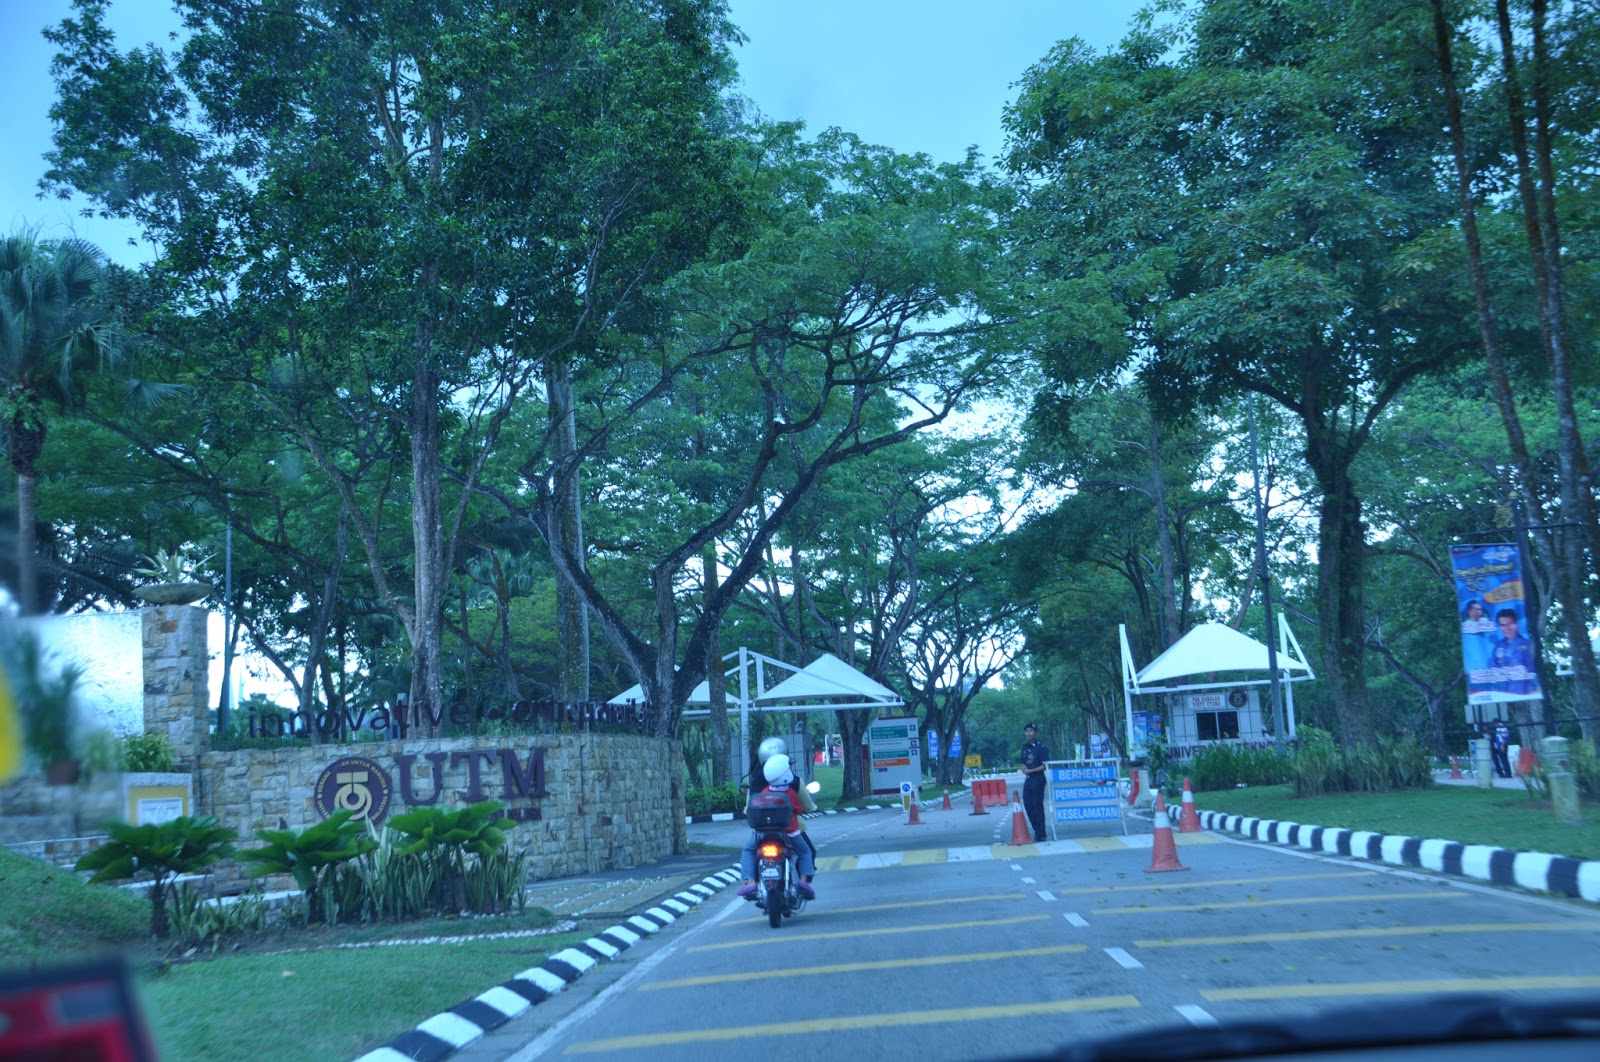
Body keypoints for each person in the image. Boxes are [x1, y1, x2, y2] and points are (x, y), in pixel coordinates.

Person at [737, 753, 816, 900]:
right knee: (806, 852)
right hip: (790, 833)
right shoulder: (790, 792)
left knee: (748, 850)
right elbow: (799, 809)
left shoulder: (764, 791)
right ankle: (805, 882)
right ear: (785, 774)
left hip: (763, 833)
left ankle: (751, 882)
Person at [1489, 608, 1538, 696]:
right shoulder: (1498, 646)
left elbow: (1533, 668)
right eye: (1503, 625)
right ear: (1499, 627)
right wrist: (1504, 669)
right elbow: (1492, 667)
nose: (1507, 628)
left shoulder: (1527, 644)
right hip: (1505, 693)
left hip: (1526, 693)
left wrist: (1518, 669)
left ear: (1516, 624)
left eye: (1510, 624)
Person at [1019, 721, 1049, 843]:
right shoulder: (1025, 748)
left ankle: (1041, 834)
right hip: (1028, 780)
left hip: (1038, 779)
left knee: (1037, 806)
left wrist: (1031, 770)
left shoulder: (1040, 747)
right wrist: (1023, 768)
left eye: (1031, 731)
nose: (1029, 733)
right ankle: (1037, 830)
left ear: (1035, 733)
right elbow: (1023, 762)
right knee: (1028, 806)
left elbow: (1044, 765)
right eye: (1027, 731)